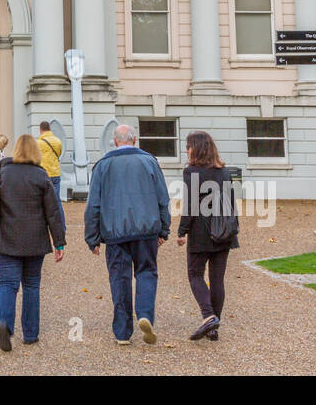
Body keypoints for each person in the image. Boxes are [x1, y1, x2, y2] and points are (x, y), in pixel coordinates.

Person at [84, 124, 171, 345]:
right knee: (146, 273)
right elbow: (163, 198)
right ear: (134, 139)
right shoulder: (150, 161)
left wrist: (92, 237)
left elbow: (93, 205)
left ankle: (122, 332)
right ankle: (144, 314)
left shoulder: (103, 165)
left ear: (115, 141)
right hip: (146, 230)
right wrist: (164, 229)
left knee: (119, 279)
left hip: (115, 232)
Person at [0, 133, 66, 351]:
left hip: (6, 237)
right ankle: (30, 333)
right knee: (31, 286)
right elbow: (53, 212)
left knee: (7, 284)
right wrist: (59, 242)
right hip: (35, 239)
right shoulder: (41, 176)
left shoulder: (2, 173)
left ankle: (4, 323)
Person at [176, 131, 238, 341]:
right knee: (217, 279)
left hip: (201, 232)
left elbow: (191, 206)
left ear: (197, 148)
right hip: (224, 231)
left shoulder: (191, 171)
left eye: (189, 146)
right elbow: (230, 204)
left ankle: (208, 316)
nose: (186, 150)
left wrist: (182, 230)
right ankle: (213, 327)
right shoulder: (225, 172)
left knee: (195, 274)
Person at [37, 120, 64, 216]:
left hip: (43, 174)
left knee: (42, 202)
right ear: (50, 129)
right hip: (55, 173)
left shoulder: (38, 143)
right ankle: (62, 227)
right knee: (56, 202)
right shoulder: (58, 141)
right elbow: (59, 154)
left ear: (40, 130)